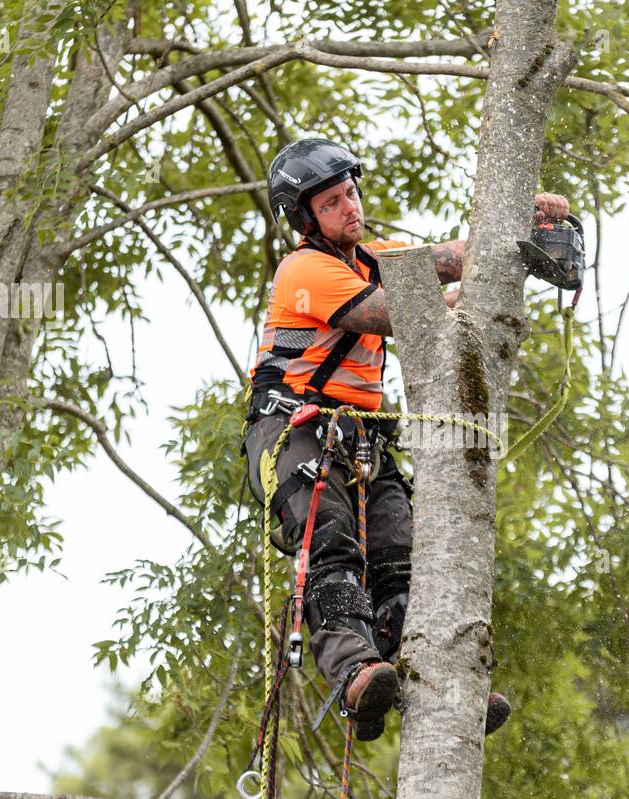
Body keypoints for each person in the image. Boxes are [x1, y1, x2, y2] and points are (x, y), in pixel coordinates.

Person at [241, 137, 570, 741]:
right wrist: (463, 291)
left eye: (350, 194)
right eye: (332, 203)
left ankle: (446, 684)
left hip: (363, 435)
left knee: (402, 561)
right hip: (296, 429)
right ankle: (357, 671)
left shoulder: (373, 257)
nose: (350, 208)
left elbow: (453, 259)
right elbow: (400, 314)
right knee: (332, 546)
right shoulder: (304, 270)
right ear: (305, 218)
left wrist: (528, 225)